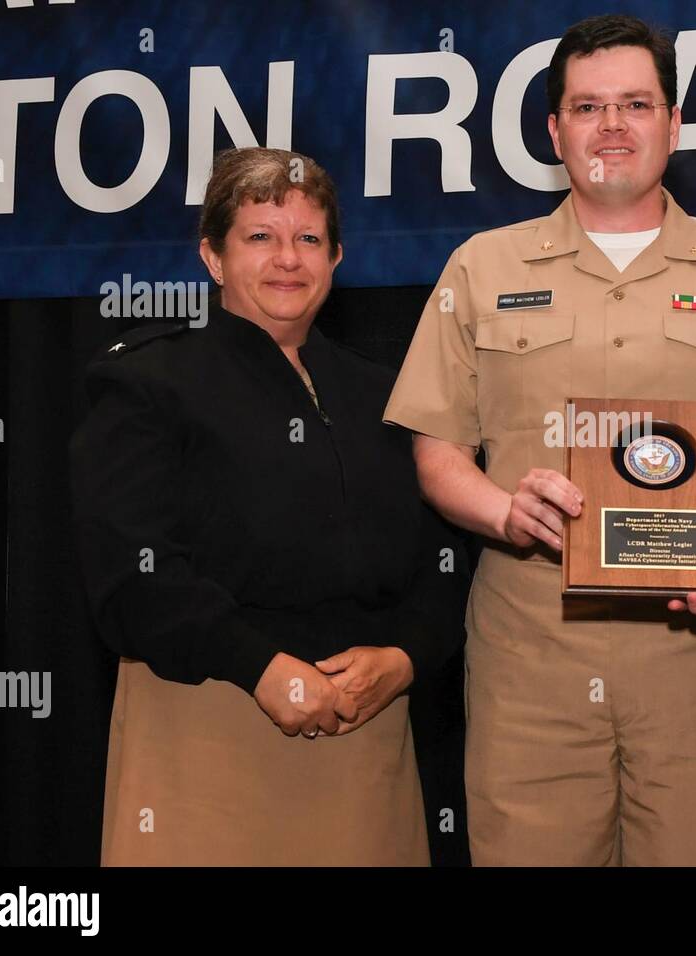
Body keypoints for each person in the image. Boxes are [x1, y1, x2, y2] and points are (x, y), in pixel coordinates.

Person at [384, 14, 696, 865]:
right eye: (587, 107)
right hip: (532, 667)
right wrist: (507, 512)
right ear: (554, 130)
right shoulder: (481, 267)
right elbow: (435, 449)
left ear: (675, 123)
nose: (612, 127)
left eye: (635, 104)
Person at [70, 147, 460, 865]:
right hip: (211, 733)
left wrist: (407, 658)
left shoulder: (388, 397)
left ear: (337, 257)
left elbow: (446, 560)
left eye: (308, 239)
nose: (288, 259)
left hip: (364, 745)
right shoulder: (149, 383)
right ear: (213, 257)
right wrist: (259, 666)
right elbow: (131, 576)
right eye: (260, 237)